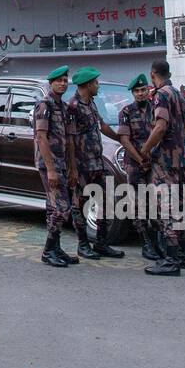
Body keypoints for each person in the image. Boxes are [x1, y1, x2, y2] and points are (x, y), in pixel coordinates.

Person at [139, 59, 185, 277]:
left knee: (167, 208)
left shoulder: (161, 95)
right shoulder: (179, 95)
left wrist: (145, 149)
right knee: (179, 207)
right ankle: (180, 255)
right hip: (179, 159)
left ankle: (171, 260)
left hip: (165, 161)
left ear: (153, 74)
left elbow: (160, 127)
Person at [66, 67, 125, 260]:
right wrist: (73, 167)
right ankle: (83, 244)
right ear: (88, 84)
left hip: (97, 163)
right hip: (82, 165)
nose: (98, 86)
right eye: (96, 83)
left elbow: (102, 126)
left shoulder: (91, 103)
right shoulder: (73, 107)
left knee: (107, 200)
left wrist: (120, 139)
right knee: (80, 204)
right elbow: (70, 139)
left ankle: (101, 243)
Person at [33, 66, 79, 267]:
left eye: (65, 80)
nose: (62, 83)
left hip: (61, 163)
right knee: (61, 208)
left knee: (54, 207)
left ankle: (56, 249)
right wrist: (51, 169)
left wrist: (72, 168)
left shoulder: (64, 107)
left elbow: (68, 140)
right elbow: (41, 138)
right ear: (50, 83)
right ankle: (48, 251)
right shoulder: (45, 105)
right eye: (58, 80)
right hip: (48, 164)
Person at [117, 73, 160, 260]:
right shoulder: (126, 112)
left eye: (143, 90)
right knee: (139, 203)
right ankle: (145, 243)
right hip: (135, 163)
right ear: (132, 93)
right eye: (137, 91)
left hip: (155, 162)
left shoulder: (156, 109)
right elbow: (124, 140)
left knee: (157, 201)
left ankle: (158, 241)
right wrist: (141, 158)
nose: (141, 94)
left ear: (148, 90)